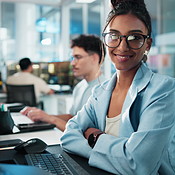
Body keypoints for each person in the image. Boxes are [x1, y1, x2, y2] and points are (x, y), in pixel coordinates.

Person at [60, 0, 175, 174]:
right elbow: (68, 136)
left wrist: (95, 137)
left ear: (147, 45)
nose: (122, 46)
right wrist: (119, 152)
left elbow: (138, 164)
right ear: (106, 40)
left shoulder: (163, 89)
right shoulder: (100, 91)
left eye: (135, 37)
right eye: (114, 36)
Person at [20, 34, 106, 131]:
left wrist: (51, 119)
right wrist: (43, 115)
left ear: (94, 58)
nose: (73, 63)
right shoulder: (80, 87)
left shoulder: (104, 90)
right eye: (72, 58)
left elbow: (86, 131)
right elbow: (72, 117)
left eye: (78, 57)